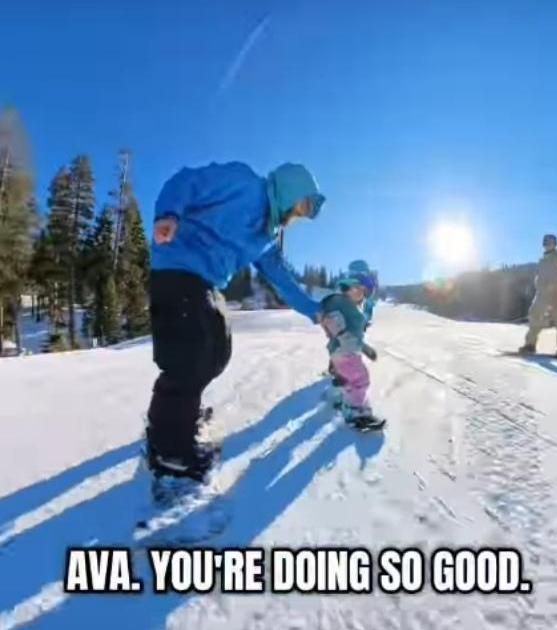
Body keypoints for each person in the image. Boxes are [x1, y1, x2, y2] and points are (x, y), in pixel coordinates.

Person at [146, 161, 325, 501]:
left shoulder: (266, 236)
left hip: (206, 281)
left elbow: (283, 280)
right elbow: (185, 181)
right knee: (189, 357)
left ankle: (180, 417)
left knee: (216, 352)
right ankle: (169, 451)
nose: (299, 216)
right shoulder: (244, 185)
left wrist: (315, 312)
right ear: (289, 191)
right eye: (301, 206)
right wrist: (169, 214)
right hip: (177, 268)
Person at [319, 272, 383, 430]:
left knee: (348, 379)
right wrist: (341, 335)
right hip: (344, 350)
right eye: (357, 289)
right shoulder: (339, 302)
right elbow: (330, 319)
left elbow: (355, 336)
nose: (361, 294)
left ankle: (339, 399)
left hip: (345, 350)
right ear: (347, 288)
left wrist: (365, 348)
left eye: (363, 291)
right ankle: (355, 413)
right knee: (360, 379)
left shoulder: (349, 306)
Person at [519, 233, 557, 356]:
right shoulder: (543, 260)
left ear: (555, 244)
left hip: (556, 294)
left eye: (550, 242)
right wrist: (537, 287)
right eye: (546, 242)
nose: (547, 244)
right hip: (542, 294)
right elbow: (539, 277)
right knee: (534, 316)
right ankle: (530, 344)